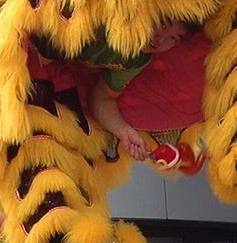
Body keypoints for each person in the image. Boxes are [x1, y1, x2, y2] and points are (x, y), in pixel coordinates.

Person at [86, 20, 202, 172]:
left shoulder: (137, 60)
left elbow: (102, 99)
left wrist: (124, 132)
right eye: (164, 24)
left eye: (174, 38)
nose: (161, 40)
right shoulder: (107, 13)